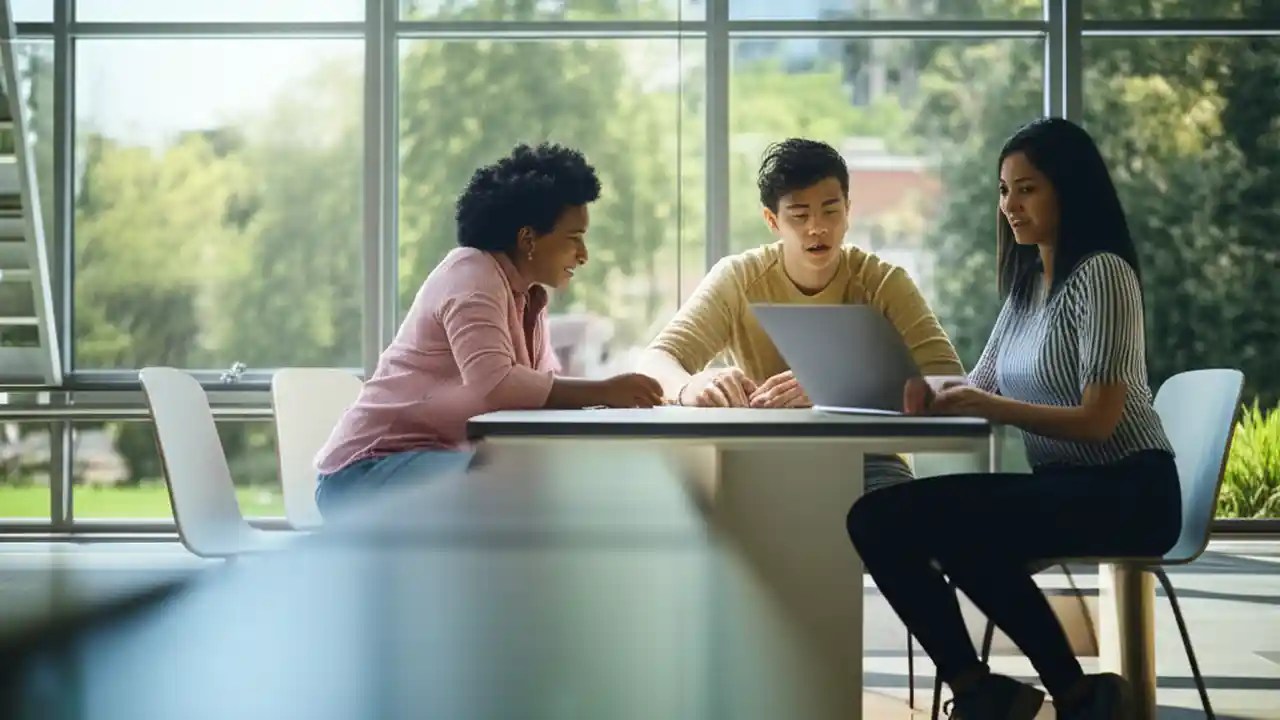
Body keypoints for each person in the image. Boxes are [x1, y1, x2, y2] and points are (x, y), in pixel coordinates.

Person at [847, 117, 1180, 719]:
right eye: (1004, 190)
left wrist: (986, 404)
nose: (1010, 206)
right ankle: (1011, 691)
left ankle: (1051, 694)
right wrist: (904, 385)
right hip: (1064, 488)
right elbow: (979, 384)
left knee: (941, 526)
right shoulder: (1027, 288)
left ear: (1068, 190)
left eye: (1027, 188)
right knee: (876, 518)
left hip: (1132, 491)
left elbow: (1099, 421)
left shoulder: (1103, 275)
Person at [313, 143, 663, 516]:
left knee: (549, 480)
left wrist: (607, 402)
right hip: (362, 474)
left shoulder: (524, 296)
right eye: (574, 238)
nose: (584, 255)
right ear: (528, 239)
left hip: (429, 461)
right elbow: (496, 385)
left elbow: (538, 392)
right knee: (512, 486)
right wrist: (606, 391)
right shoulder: (471, 276)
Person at [637, 137, 964, 491]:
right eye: (799, 215)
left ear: (848, 210)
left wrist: (837, 390)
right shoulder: (739, 277)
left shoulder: (883, 282)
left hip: (868, 460)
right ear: (772, 220)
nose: (817, 227)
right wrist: (691, 386)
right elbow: (656, 361)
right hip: (763, 453)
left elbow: (951, 384)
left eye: (830, 210)